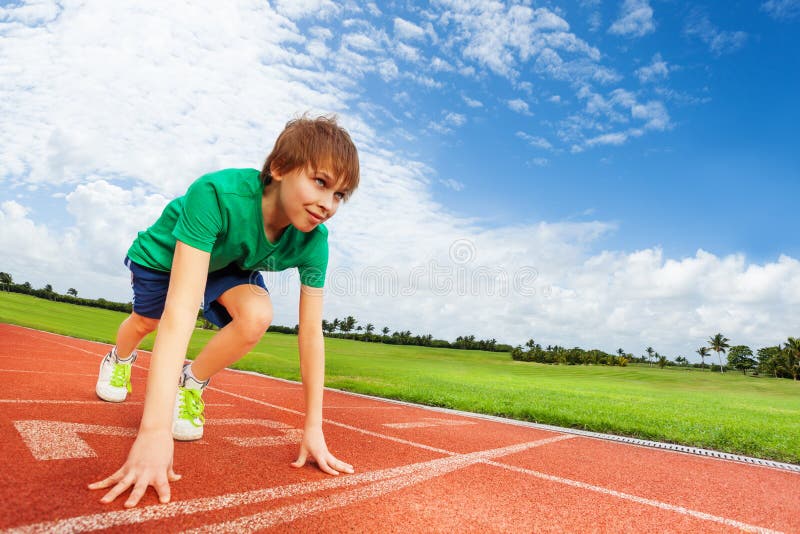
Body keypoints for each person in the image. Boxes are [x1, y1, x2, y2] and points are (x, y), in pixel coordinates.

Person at [88, 115, 359, 508]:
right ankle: (119, 357)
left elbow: (311, 333)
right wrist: (154, 432)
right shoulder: (215, 193)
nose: (328, 205)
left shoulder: (314, 241)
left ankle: (191, 383)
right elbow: (181, 311)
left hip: (225, 265)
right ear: (279, 168)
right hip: (163, 258)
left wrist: (313, 428)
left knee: (256, 316)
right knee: (150, 320)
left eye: (340, 195)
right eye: (321, 182)